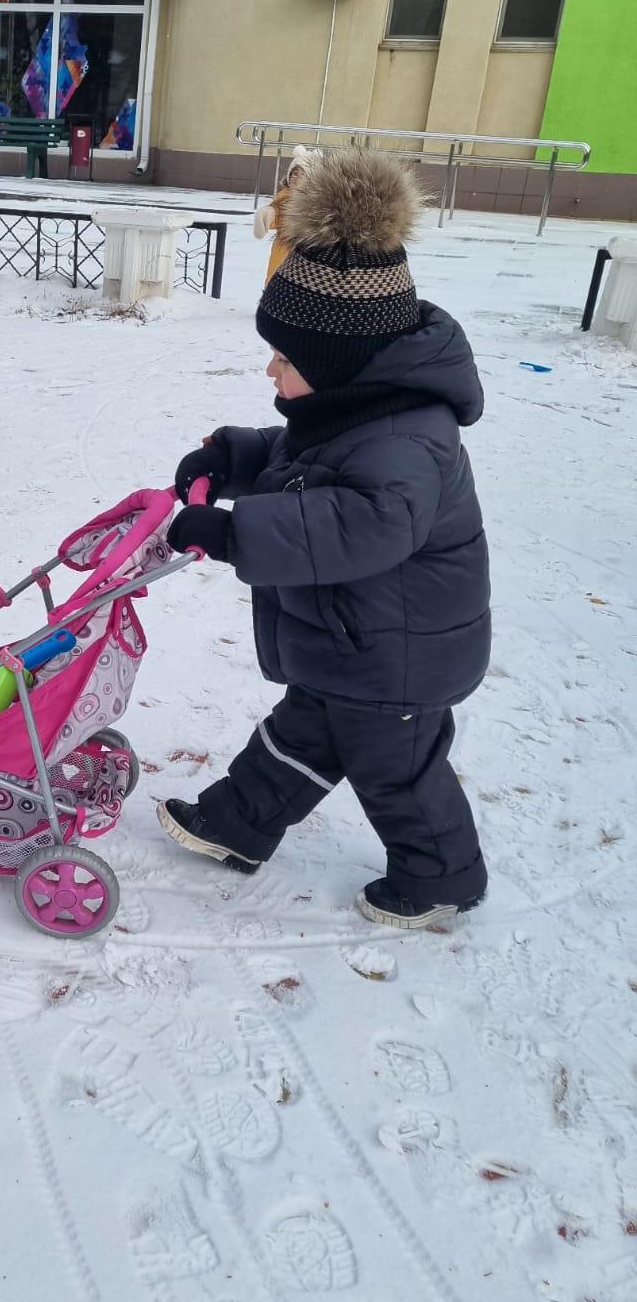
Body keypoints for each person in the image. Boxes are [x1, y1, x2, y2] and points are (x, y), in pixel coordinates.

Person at [162, 149, 490, 930]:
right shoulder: (357, 410)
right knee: (301, 735)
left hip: (399, 656)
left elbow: (362, 523)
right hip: (357, 640)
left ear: (342, 365)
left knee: (399, 776)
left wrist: (237, 532)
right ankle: (238, 824)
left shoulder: (408, 441)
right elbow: (306, 466)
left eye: (287, 358)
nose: (272, 370)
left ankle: (443, 877)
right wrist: (234, 458)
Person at [253, 145, 317, 284]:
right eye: (295, 173)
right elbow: (278, 213)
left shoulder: (317, 202)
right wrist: (267, 215)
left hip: (306, 257)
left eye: (303, 174)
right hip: (282, 255)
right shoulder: (284, 197)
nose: (297, 177)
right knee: (276, 285)